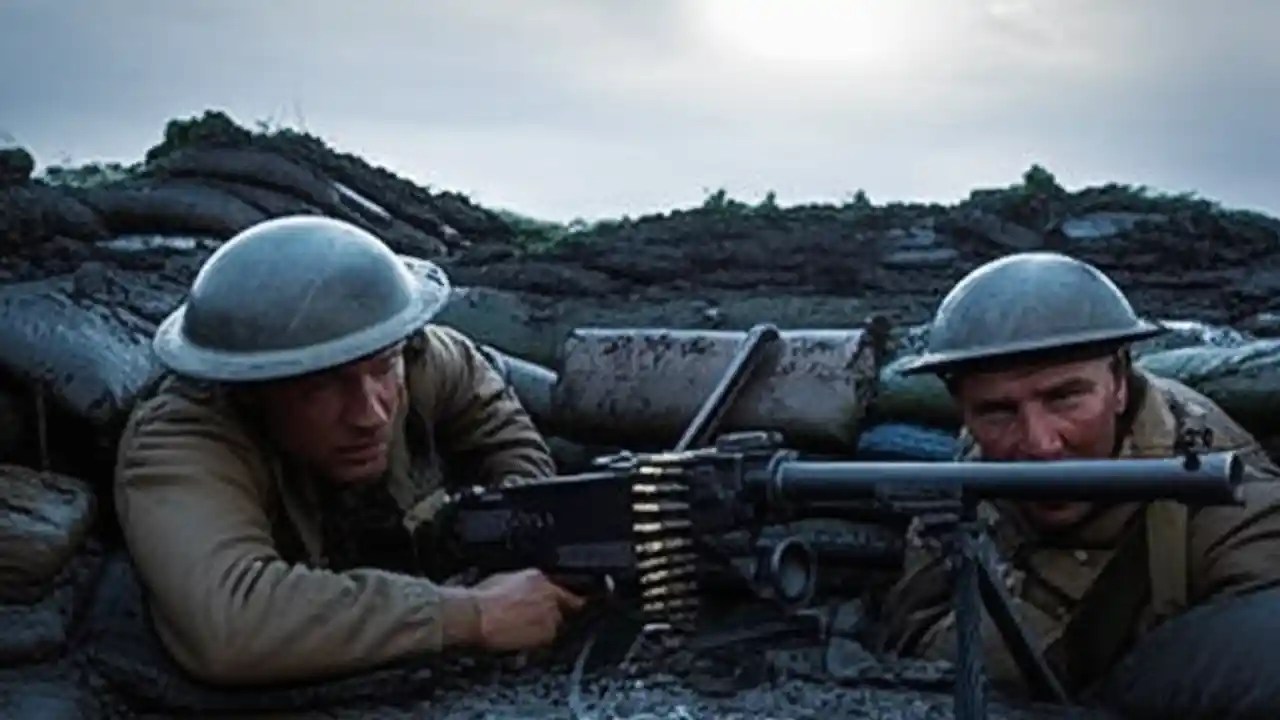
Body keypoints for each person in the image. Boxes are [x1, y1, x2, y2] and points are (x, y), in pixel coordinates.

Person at [113, 215, 584, 686]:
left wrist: (522, 540)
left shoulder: (414, 356)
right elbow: (231, 626)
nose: (371, 414)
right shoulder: (182, 439)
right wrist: (471, 614)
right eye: (322, 387)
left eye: (382, 370)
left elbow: (498, 425)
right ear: (251, 388)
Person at [874, 251, 1280, 698]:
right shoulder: (970, 469)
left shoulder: (1220, 494)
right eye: (997, 411)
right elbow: (913, 640)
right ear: (964, 410)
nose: (1040, 444)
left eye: (1065, 398)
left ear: (1120, 384)